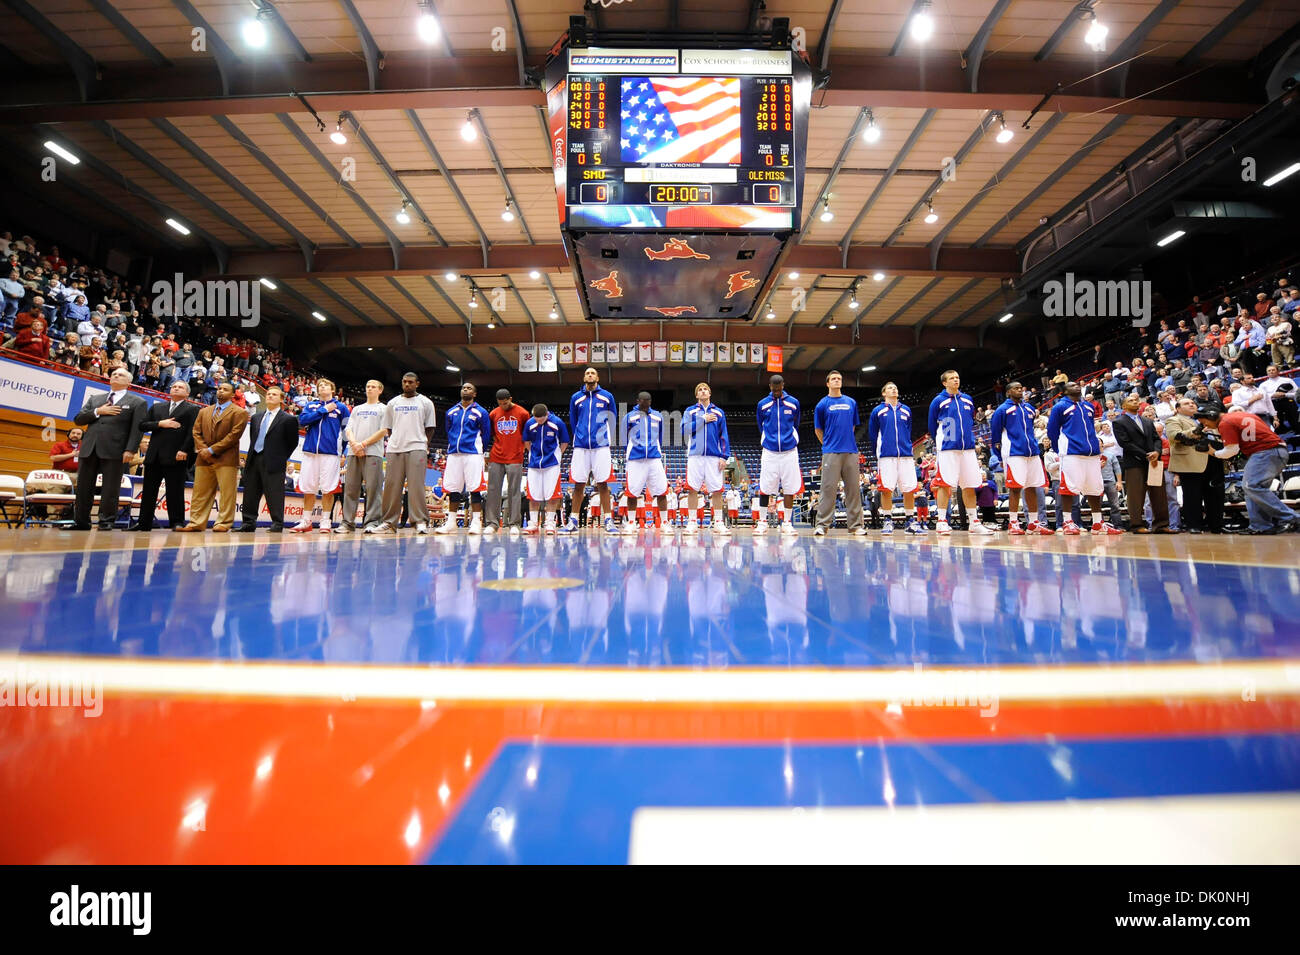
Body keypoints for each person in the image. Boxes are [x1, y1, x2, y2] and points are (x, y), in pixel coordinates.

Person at [1197, 408, 1296, 535]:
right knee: (1251, 489)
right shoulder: (1243, 416)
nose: (1205, 426)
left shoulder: (1224, 423)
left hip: (1265, 452)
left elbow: (1230, 451)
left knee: (1251, 486)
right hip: (1274, 451)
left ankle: (1291, 517)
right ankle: (1260, 525)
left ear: (1211, 415)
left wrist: (1212, 452)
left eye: (1205, 423)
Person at [70, 367, 146, 530]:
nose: (116, 376)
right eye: (114, 374)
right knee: (83, 487)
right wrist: (98, 411)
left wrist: (130, 450)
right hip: (90, 448)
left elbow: (137, 429)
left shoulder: (137, 402)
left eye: (121, 375)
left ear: (128, 382)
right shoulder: (95, 399)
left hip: (115, 450)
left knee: (110, 489)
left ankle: (106, 522)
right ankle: (81, 522)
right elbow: (78, 419)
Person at [1046, 381, 1123, 536]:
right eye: (1072, 385)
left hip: (1092, 453)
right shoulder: (1060, 407)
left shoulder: (1088, 406)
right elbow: (1052, 431)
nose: (1076, 387)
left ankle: (1097, 523)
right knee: (1069, 487)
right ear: (1064, 391)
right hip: (1071, 452)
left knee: (1095, 488)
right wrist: (1060, 448)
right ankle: (1067, 522)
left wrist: (1095, 447)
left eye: (1077, 385)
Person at [366, 372, 437, 535]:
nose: (407, 384)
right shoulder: (393, 403)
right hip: (395, 448)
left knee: (416, 486)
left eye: (410, 382)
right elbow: (388, 427)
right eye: (404, 382)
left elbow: (430, 427)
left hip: (417, 447)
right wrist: (396, 441)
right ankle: (389, 523)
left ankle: (419, 521)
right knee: (391, 486)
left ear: (417, 383)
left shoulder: (425, 402)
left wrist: (424, 443)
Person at [177, 381, 249, 533]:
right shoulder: (204, 411)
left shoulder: (240, 412)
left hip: (226, 458)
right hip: (203, 457)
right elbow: (196, 432)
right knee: (200, 492)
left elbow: (233, 436)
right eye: (219, 388)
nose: (221, 391)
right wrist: (204, 450)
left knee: (227, 493)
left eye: (225, 389)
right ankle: (196, 522)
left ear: (232, 394)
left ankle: (223, 522)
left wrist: (211, 450)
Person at [927, 370, 993, 535]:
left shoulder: (967, 399)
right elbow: (932, 426)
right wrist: (943, 441)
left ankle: (974, 522)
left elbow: (969, 421)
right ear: (944, 383)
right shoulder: (938, 401)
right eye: (952, 378)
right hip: (948, 448)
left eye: (957, 377)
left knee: (969, 484)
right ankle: (942, 521)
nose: (956, 380)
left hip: (968, 448)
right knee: (944, 484)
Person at [133, 380, 199, 531]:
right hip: (154, 456)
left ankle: (177, 522)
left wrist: (185, 450)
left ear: (187, 393)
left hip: (177, 456)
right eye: (174, 386)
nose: (176, 388)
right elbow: (142, 425)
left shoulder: (192, 409)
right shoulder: (157, 407)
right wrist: (160, 424)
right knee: (149, 492)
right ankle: (144, 523)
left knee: (175, 492)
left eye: (180, 387)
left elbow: (192, 432)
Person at [989, 381, 1051, 536]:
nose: (1020, 390)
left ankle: (1034, 523)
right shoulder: (1002, 410)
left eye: (1021, 388)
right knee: (1015, 489)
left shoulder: (1029, 408)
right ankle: (1013, 523)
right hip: (1014, 453)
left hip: (1032, 452)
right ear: (1008, 392)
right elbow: (995, 436)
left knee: (1032, 486)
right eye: (1016, 388)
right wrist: (1000, 457)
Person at [812, 371, 867, 538]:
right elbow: (818, 430)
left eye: (839, 379)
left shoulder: (851, 402)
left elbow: (852, 426)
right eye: (833, 379)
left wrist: (845, 442)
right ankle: (822, 525)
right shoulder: (822, 404)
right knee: (827, 489)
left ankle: (856, 526)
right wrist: (828, 445)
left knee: (853, 490)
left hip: (850, 451)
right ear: (828, 383)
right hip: (830, 452)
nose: (837, 381)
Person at [291, 378, 348, 533]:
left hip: (330, 453)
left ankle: (325, 521)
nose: (322, 387)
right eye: (320, 386)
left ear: (332, 389)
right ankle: (306, 520)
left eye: (325, 385)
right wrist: (323, 410)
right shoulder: (311, 405)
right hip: (310, 451)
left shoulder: (342, 408)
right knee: (309, 488)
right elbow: (303, 420)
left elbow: (346, 432)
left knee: (328, 488)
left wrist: (343, 452)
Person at [239, 386, 299, 533]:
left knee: (274, 493)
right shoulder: (255, 417)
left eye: (274, 394)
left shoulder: (289, 419)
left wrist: (280, 457)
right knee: (251, 492)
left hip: (274, 460)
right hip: (254, 458)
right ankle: (248, 522)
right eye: (269, 394)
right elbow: (254, 438)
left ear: (281, 399)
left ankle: (277, 523)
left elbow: (293, 442)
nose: (270, 396)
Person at [867, 382, 924, 535]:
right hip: (886, 456)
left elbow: (908, 429)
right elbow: (873, 434)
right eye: (890, 388)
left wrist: (907, 446)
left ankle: (910, 521)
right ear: (884, 393)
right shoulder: (877, 411)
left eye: (896, 388)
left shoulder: (906, 410)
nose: (894, 389)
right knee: (886, 489)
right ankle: (887, 520)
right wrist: (879, 451)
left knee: (909, 489)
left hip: (905, 455)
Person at [1113, 393, 1174, 534]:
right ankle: (1137, 525)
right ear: (1123, 406)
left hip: (1154, 461)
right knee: (1136, 496)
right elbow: (1125, 443)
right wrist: (1146, 455)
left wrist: (1157, 452)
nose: (1135, 401)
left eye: (1136, 399)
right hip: (1135, 462)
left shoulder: (1147, 421)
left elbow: (1157, 439)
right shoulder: (1119, 422)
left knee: (1159, 495)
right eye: (1131, 400)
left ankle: (1161, 525)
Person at [437, 381, 492, 535]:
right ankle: (451, 523)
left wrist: (478, 449)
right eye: (463, 387)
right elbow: (449, 431)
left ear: (474, 394)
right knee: (453, 488)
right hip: (454, 453)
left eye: (469, 388)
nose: (465, 389)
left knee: (474, 488)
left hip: (473, 454)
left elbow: (486, 434)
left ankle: (476, 522)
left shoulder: (481, 412)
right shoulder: (451, 411)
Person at [568, 367, 618, 533]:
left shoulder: (607, 396)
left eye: (593, 373)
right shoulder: (576, 397)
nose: (590, 375)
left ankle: (608, 520)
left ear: (597, 377)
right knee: (578, 484)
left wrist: (604, 437)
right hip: (581, 446)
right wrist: (580, 435)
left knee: (603, 484)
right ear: (584, 378)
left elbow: (612, 419)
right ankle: (573, 520)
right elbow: (574, 420)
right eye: (587, 373)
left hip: (601, 446)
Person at [1165, 396, 1222, 535]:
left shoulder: (1207, 419)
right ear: (1178, 408)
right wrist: (1197, 430)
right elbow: (1174, 437)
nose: (1191, 404)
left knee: (1215, 495)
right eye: (1187, 403)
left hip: (1213, 458)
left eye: (1193, 403)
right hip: (1190, 462)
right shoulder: (1174, 419)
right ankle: (1194, 525)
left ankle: (1216, 526)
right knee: (1192, 496)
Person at [681, 381, 731, 536]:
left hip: (713, 456)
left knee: (717, 490)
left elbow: (724, 436)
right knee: (692, 489)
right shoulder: (690, 411)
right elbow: (684, 429)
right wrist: (702, 419)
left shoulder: (719, 412)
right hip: (695, 455)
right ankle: (692, 523)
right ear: (696, 395)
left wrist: (724, 456)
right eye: (700, 390)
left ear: (710, 393)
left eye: (705, 389)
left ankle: (718, 523)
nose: (703, 391)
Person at [337, 379, 386, 533]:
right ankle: (347, 523)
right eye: (367, 386)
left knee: (373, 489)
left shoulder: (384, 409)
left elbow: (384, 430)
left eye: (373, 387)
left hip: (373, 453)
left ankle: (371, 522)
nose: (369, 389)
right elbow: (348, 429)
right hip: (353, 452)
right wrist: (354, 444)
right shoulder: (357, 409)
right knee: (351, 489)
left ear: (380, 390)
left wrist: (363, 444)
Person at [755, 374, 801, 536]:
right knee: (765, 487)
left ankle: (787, 523)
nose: (776, 391)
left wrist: (787, 439)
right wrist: (771, 440)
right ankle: (762, 522)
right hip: (769, 451)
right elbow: (761, 425)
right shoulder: (762, 404)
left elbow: (796, 423)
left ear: (783, 385)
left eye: (778, 388)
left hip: (789, 451)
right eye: (773, 389)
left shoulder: (794, 403)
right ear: (770, 387)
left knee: (789, 488)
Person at [622, 392, 668, 534]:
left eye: (648, 400)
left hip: (654, 458)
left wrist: (654, 449)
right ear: (637, 401)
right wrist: (631, 451)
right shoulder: (629, 416)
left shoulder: (658, 416)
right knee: (632, 492)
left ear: (651, 401)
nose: (645, 402)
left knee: (661, 491)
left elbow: (660, 437)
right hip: (636, 459)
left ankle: (665, 522)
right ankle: (631, 523)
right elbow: (624, 437)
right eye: (643, 400)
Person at [486, 388, 530, 536]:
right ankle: (492, 523)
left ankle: (514, 524)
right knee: (493, 490)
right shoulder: (493, 414)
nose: (503, 405)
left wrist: (521, 449)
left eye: (506, 402)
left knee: (514, 491)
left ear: (510, 399)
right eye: (500, 403)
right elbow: (492, 434)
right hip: (496, 456)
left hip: (515, 457)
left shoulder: (523, 413)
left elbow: (526, 435)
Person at [522, 403, 570, 534]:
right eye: (536, 419)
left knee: (552, 495)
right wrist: (532, 453)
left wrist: (558, 454)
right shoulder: (529, 423)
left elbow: (564, 441)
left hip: (552, 464)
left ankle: (550, 523)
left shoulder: (557, 423)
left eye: (541, 419)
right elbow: (526, 441)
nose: (538, 421)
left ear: (546, 414)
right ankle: (533, 523)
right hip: (534, 464)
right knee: (533, 495)